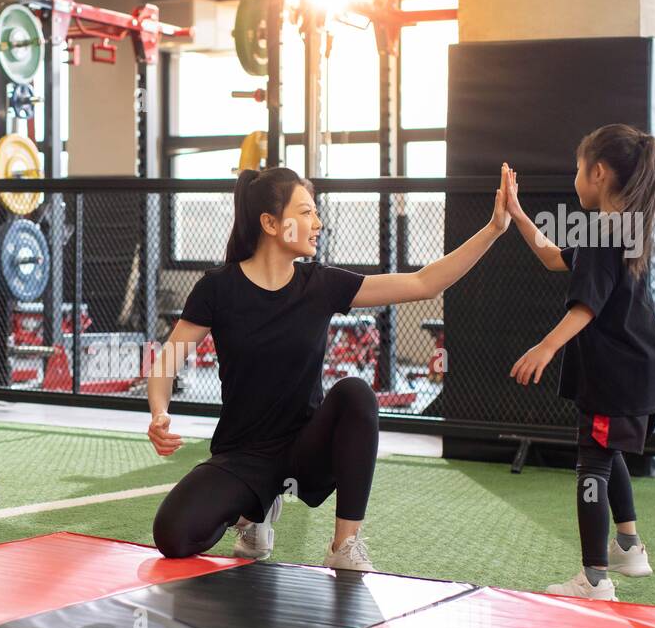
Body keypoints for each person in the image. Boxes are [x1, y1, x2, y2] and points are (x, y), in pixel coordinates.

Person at [149, 164, 513, 570]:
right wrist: (159, 413)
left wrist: (494, 230)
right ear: (271, 223)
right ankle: (252, 513)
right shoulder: (218, 288)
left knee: (356, 392)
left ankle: (345, 545)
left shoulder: (321, 284)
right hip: (243, 456)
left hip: (306, 450)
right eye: (306, 213)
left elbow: (423, 283)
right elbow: (169, 357)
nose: (318, 223)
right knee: (173, 536)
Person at [506, 124, 655, 601]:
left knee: (591, 467)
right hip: (642, 368)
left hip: (616, 373)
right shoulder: (625, 227)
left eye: (578, 169)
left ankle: (595, 578)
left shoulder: (602, 231)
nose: (575, 177)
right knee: (607, 451)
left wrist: (545, 347)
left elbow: (585, 307)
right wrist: (517, 213)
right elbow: (557, 259)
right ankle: (628, 544)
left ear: (597, 172)